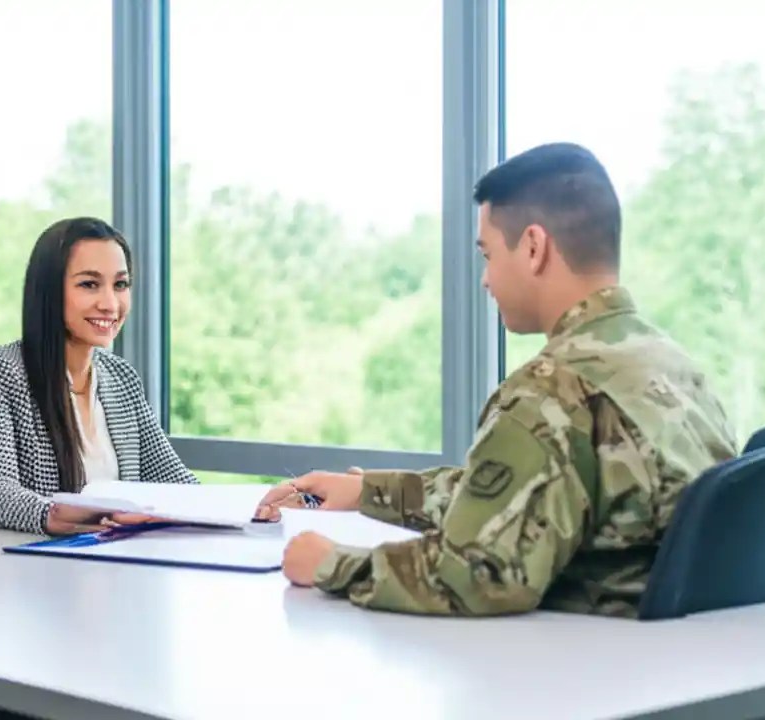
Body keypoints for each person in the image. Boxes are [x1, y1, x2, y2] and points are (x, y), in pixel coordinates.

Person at [258, 143, 738, 617]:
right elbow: (522, 498)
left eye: (487, 255)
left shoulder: (552, 393)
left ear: (533, 247)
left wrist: (330, 563)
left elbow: (475, 576)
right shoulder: (672, 367)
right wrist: (370, 493)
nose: (485, 280)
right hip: (676, 653)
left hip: (580, 658)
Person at [0, 217, 198, 535]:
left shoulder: (121, 377)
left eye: (120, 285)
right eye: (89, 284)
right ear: (49, 291)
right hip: (8, 557)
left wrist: (244, 507)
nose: (110, 304)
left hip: (105, 555)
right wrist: (65, 515)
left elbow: (174, 480)